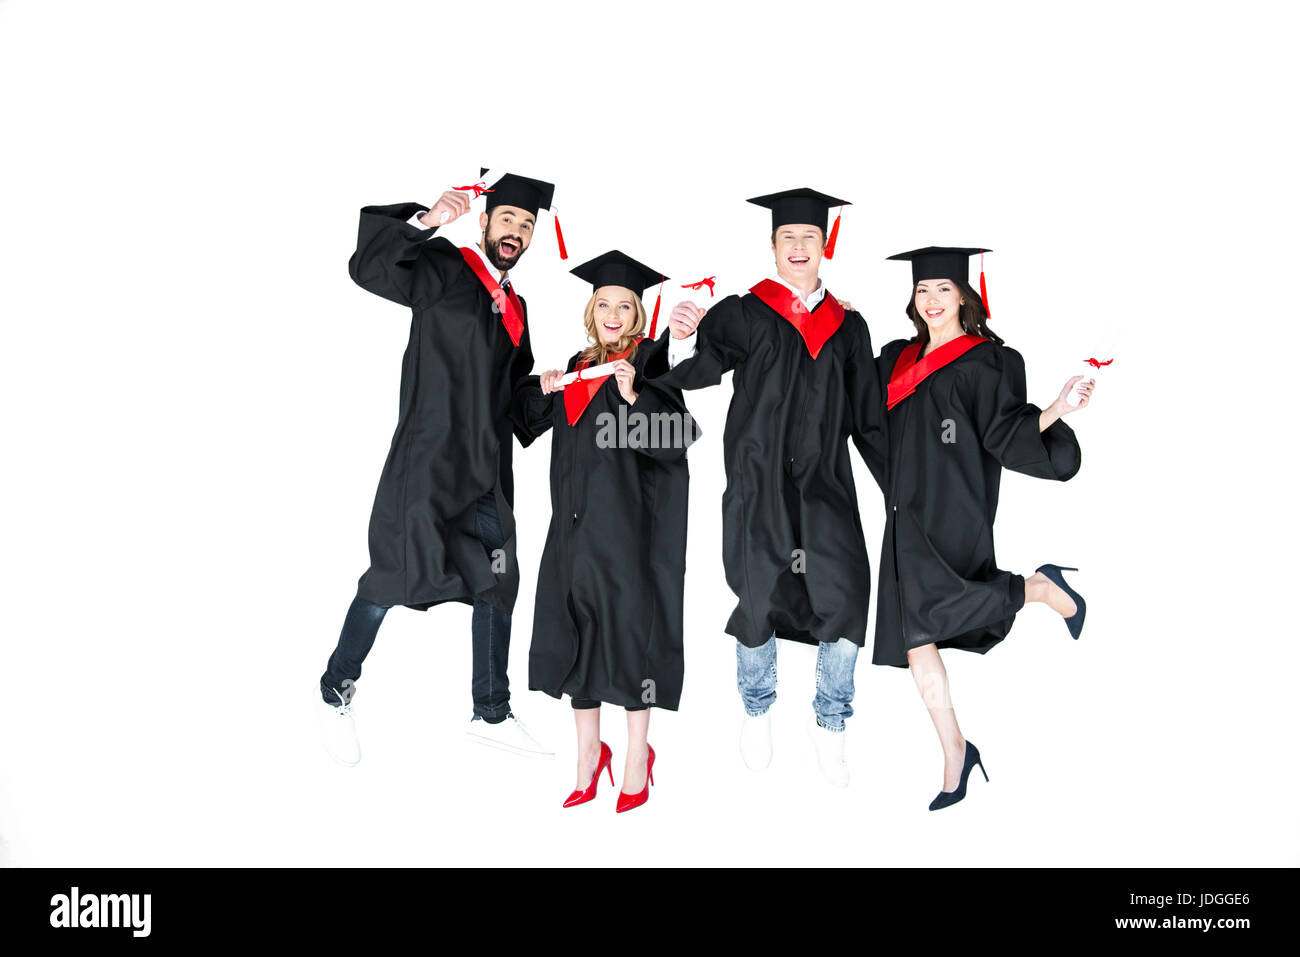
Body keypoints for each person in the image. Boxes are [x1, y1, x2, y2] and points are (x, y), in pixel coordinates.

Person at [317, 172, 563, 765]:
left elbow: (514, 404)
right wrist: (426, 221)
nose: (516, 232)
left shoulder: (517, 311)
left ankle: (491, 711)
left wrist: (558, 389)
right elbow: (369, 267)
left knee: (497, 579)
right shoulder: (442, 270)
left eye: (526, 225)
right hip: (426, 465)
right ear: (485, 222)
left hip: (483, 475)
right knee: (393, 577)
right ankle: (334, 689)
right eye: (507, 220)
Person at [654, 188, 887, 787]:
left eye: (810, 237)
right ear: (774, 246)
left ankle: (831, 721)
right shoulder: (744, 311)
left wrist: (902, 488)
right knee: (758, 595)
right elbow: (697, 370)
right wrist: (682, 334)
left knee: (848, 596)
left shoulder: (849, 325)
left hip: (827, 485)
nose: (800, 247)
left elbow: (868, 418)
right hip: (757, 483)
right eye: (789, 238)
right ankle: (757, 707)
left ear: (824, 244)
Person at [872, 246, 1093, 809]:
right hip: (904, 510)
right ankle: (955, 750)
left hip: (955, 504)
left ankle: (1038, 588)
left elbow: (1003, 431)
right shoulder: (896, 358)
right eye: (923, 290)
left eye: (944, 289)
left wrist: (1058, 408)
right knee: (914, 636)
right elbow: (864, 415)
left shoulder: (988, 360)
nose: (932, 300)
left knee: (936, 611)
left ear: (966, 296)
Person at [514, 251, 699, 813]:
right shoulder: (575, 365)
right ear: (590, 311)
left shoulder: (650, 363)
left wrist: (632, 397)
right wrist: (543, 386)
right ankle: (588, 757)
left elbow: (679, 437)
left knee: (627, 640)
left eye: (624, 305)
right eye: (603, 304)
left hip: (627, 535)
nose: (612, 313)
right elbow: (526, 419)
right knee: (579, 638)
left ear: (639, 313)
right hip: (571, 531)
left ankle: (638, 757)